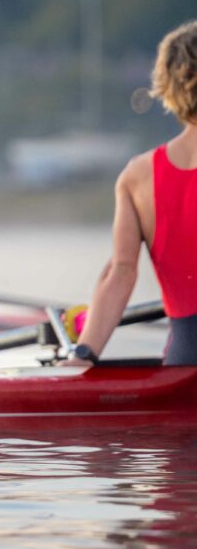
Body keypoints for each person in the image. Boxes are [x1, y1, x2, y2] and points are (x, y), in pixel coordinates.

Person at [70, 21, 197, 367]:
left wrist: (83, 355)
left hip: (183, 363)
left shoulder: (137, 176)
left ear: (167, 85)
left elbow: (121, 273)